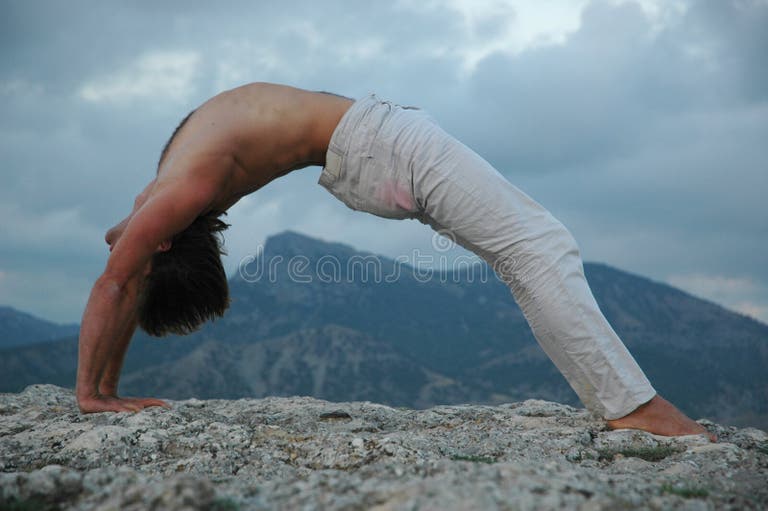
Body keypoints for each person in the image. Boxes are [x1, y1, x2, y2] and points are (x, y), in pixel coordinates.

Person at [76, 82, 714, 441]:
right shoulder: (179, 194)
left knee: (526, 253)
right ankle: (634, 409)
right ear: (165, 241)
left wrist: (103, 388)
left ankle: (627, 403)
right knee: (537, 250)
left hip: (372, 154)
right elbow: (117, 281)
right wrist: (91, 394)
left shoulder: (156, 204)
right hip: (382, 146)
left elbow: (121, 254)